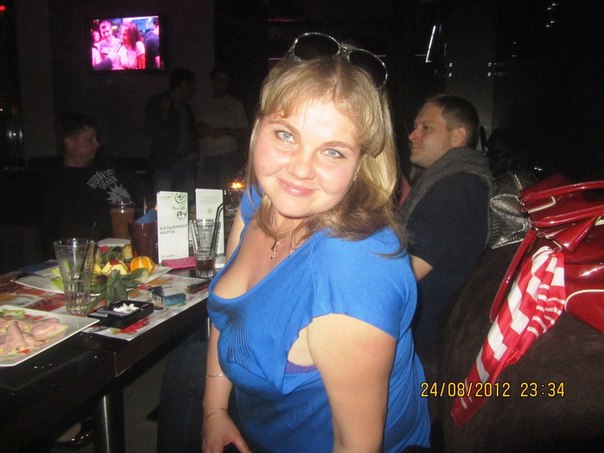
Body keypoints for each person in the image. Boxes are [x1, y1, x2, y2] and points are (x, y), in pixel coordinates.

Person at [202, 33, 430, 452]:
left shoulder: (354, 270)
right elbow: (228, 314)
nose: (300, 170)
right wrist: (214, 411)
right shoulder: (260, 197)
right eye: (286, 135)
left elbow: (355, 445)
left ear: (361, 164)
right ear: (257, 128)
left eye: (333, 151)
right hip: (258, 420)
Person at [397, 94, 493, 364]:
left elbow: (402, 275)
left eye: (426, 127)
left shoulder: (455, 188)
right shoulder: (456, 180)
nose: (412, 136)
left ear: (457, 136)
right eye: (415, 127)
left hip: (413, 337)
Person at [42, 112, 147, 257]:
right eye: (89, 139)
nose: (97, 144)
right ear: (70, 143)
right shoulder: (62, 183)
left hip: (139, 234)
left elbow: (140, 188)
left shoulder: (106, 165)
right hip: (109, 250)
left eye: (96, 138)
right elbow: (80, 228)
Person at [144, 68, 200, 199]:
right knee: (164, 202)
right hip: (165, 162)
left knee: (187, 201)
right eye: (191, 84)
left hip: (186, 162)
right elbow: (151, 129)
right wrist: (163, 114)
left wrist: (195, 151)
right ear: (184, 84)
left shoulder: (186, 108)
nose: (193, 89)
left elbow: (190, 133)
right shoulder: (159, 101)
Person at [196, 68, 248, 189]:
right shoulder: (205, 103)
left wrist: (226, 131)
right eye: (220, 80)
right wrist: (201, 128)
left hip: (226, 156)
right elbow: (196, 127)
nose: (223, 84)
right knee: (206, 193)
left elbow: (245, 132)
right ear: (213, 82)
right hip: (206, 156)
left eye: (226, 81)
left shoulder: (235, 104)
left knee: (224, 191)